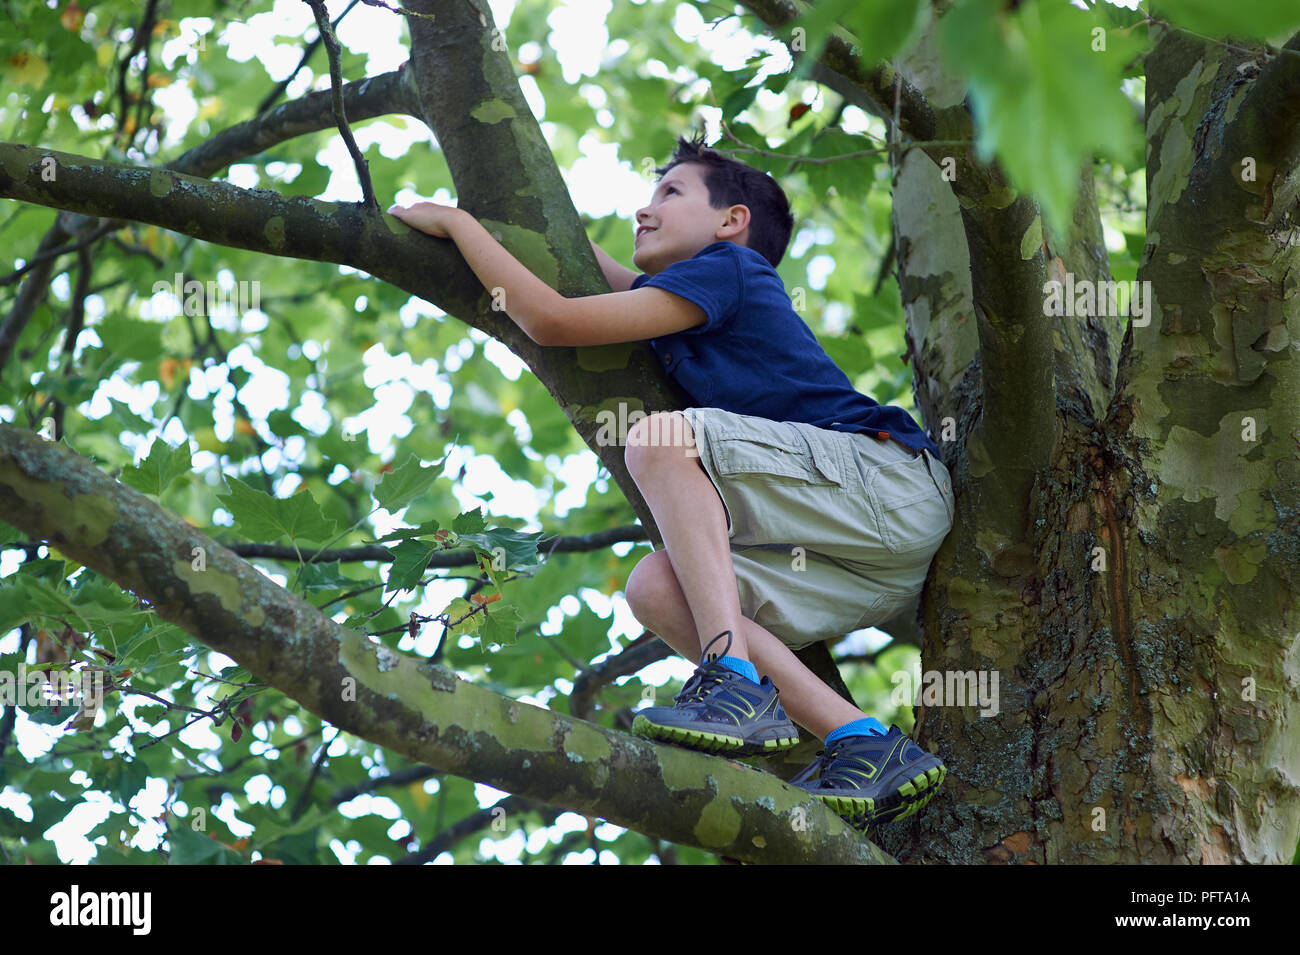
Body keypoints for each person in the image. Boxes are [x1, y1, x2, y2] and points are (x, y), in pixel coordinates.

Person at [388, 132, 955, 829]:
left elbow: (553, 317)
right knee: (655, 586)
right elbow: (583, 277)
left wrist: (458, 224)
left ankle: (731, 683)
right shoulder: (684, 305)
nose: (643, 211)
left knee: (654, 437)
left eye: (670, 192)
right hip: (862, 555)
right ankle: (863, 740)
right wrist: (511, 221)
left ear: (731, 222)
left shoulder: (731, 271)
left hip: (886, 484)